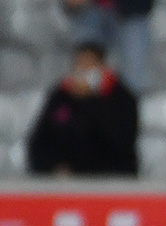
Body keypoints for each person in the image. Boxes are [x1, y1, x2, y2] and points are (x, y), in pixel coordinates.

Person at [26, 40, 138, 176]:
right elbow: (39, 141)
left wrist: (90, 101)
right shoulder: (61, 96)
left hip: (110, 176)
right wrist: (53, 167)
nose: (83, 71)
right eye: (80, 65)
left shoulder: (121, 98)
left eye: (89, 66)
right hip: (67, 178)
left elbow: (121, 144)